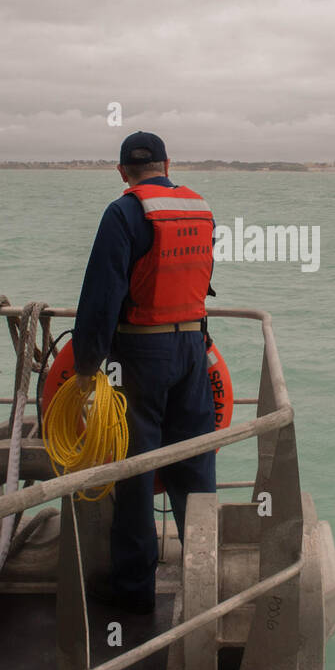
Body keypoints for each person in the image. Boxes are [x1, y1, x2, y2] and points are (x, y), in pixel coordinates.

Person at [72, 131, 217, 614]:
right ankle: (205, 578)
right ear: (167, 164)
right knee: (195, 465)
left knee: (135, 469)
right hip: (194, 346)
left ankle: (135, 590)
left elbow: (101, 297)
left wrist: (86, 368)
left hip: (142, 353)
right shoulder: (199, 206)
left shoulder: (123, 212)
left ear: (121, 172)